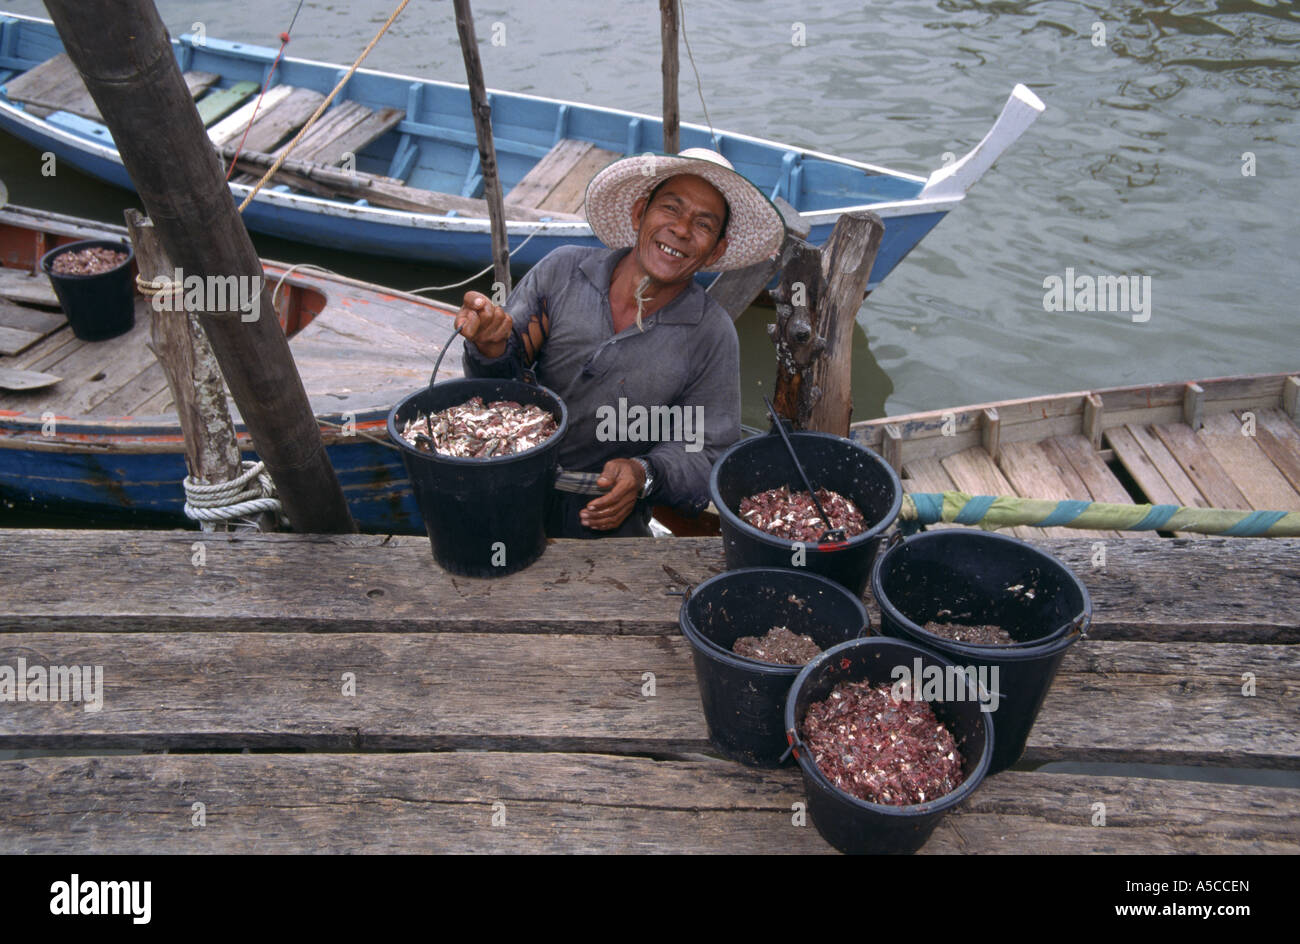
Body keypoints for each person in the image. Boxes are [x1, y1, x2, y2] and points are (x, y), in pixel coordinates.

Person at [455, 148, 785, 537]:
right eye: (670, 209)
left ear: (717, 250)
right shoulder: (563, 271)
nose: (680, 229)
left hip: (604, 515)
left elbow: (706, 449)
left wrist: (643, 473)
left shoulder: (711, 334)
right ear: (639, 212)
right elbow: (496, 386)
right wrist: (489, 347)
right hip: (506, 479)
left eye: (703, 224)